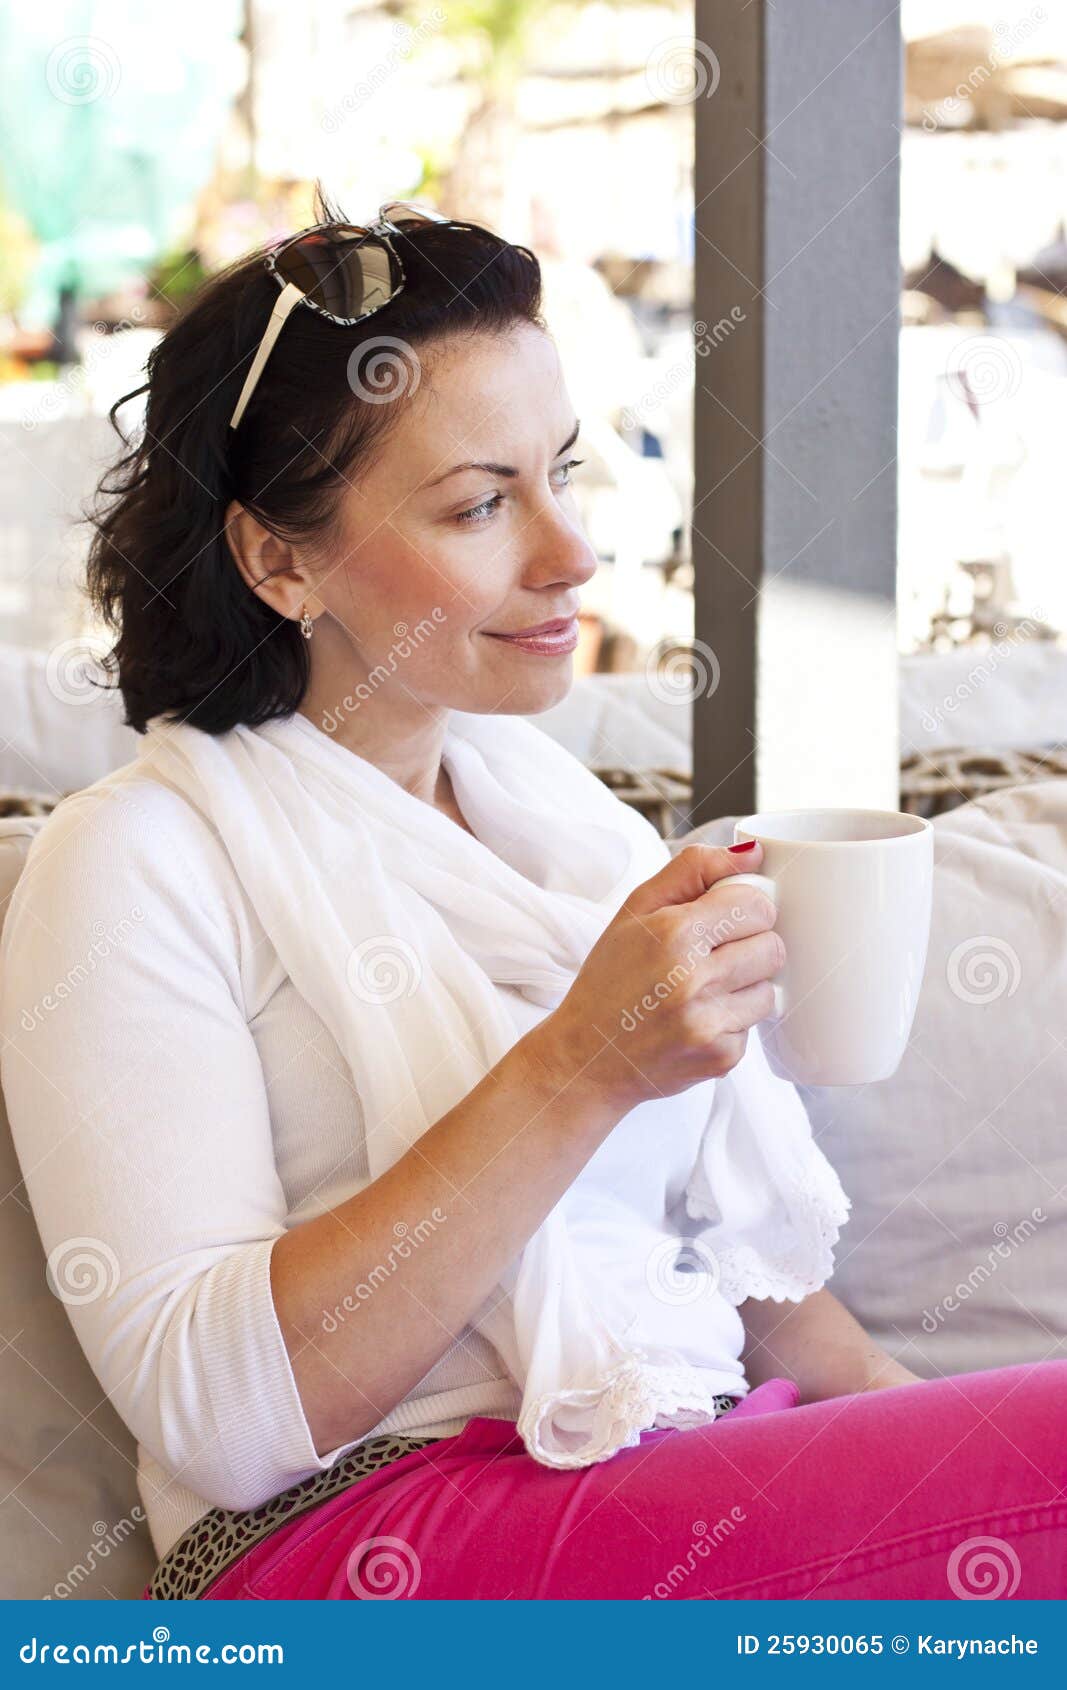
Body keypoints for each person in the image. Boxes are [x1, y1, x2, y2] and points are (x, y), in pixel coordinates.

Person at [1, 195, 1062, 1602]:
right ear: (277, 557)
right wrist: (584, 1062)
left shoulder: (564, 827)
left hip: (690, 1460)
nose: (570, 555)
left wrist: (942, 1476)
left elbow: (801, 1333)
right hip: (355, 1538)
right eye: (480, 503)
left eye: (560, 473)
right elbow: (224, 1417)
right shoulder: (132, 856)